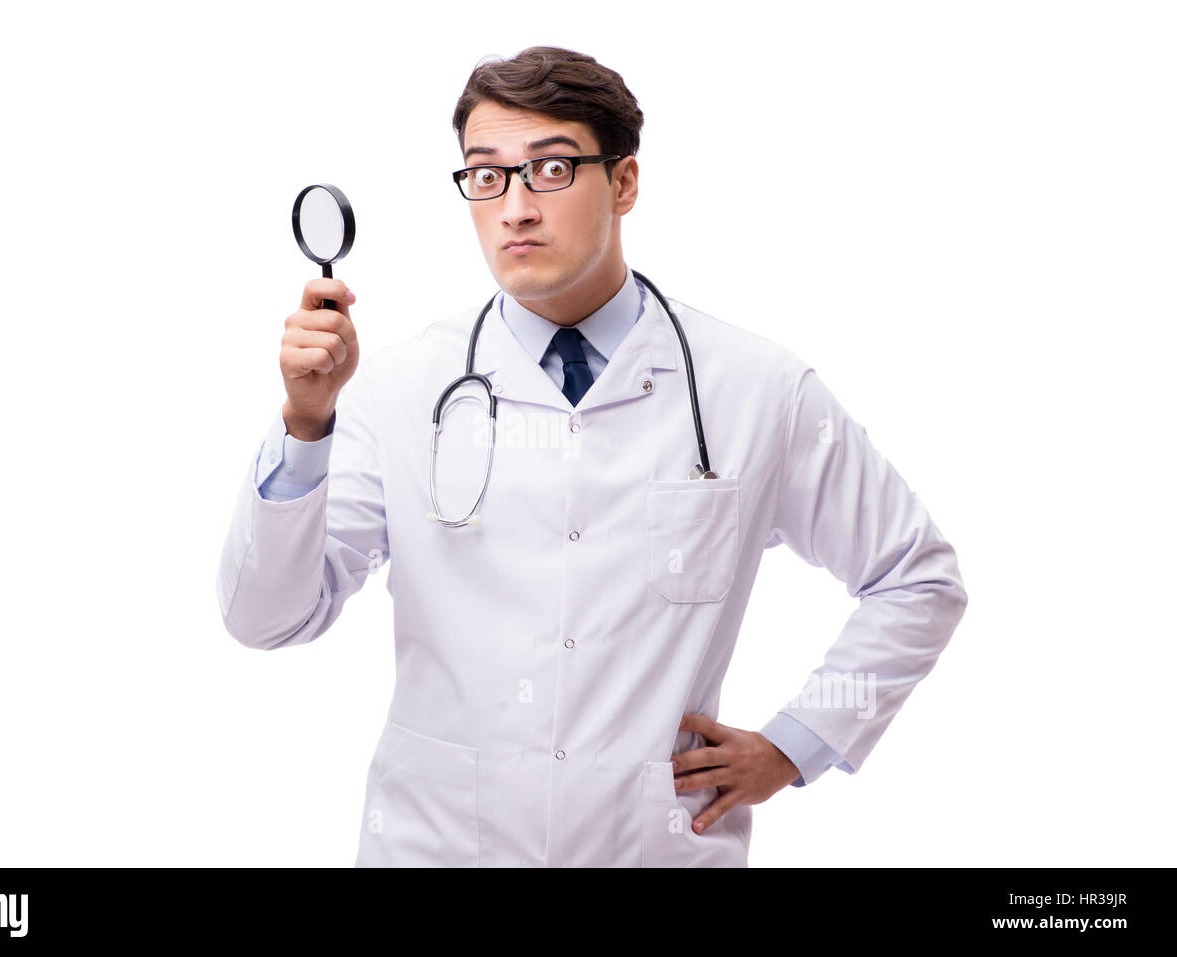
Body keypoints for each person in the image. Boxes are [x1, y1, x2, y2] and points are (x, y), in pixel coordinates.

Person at [216, 45, 968, 867]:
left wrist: (797, 743)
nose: (515, 208)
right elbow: (267, 618)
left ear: (625, 183)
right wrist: (305, 423)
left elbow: (917, 576)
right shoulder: (400, 392)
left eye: (551, 169)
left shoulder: (756, 389)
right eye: (487, 176)